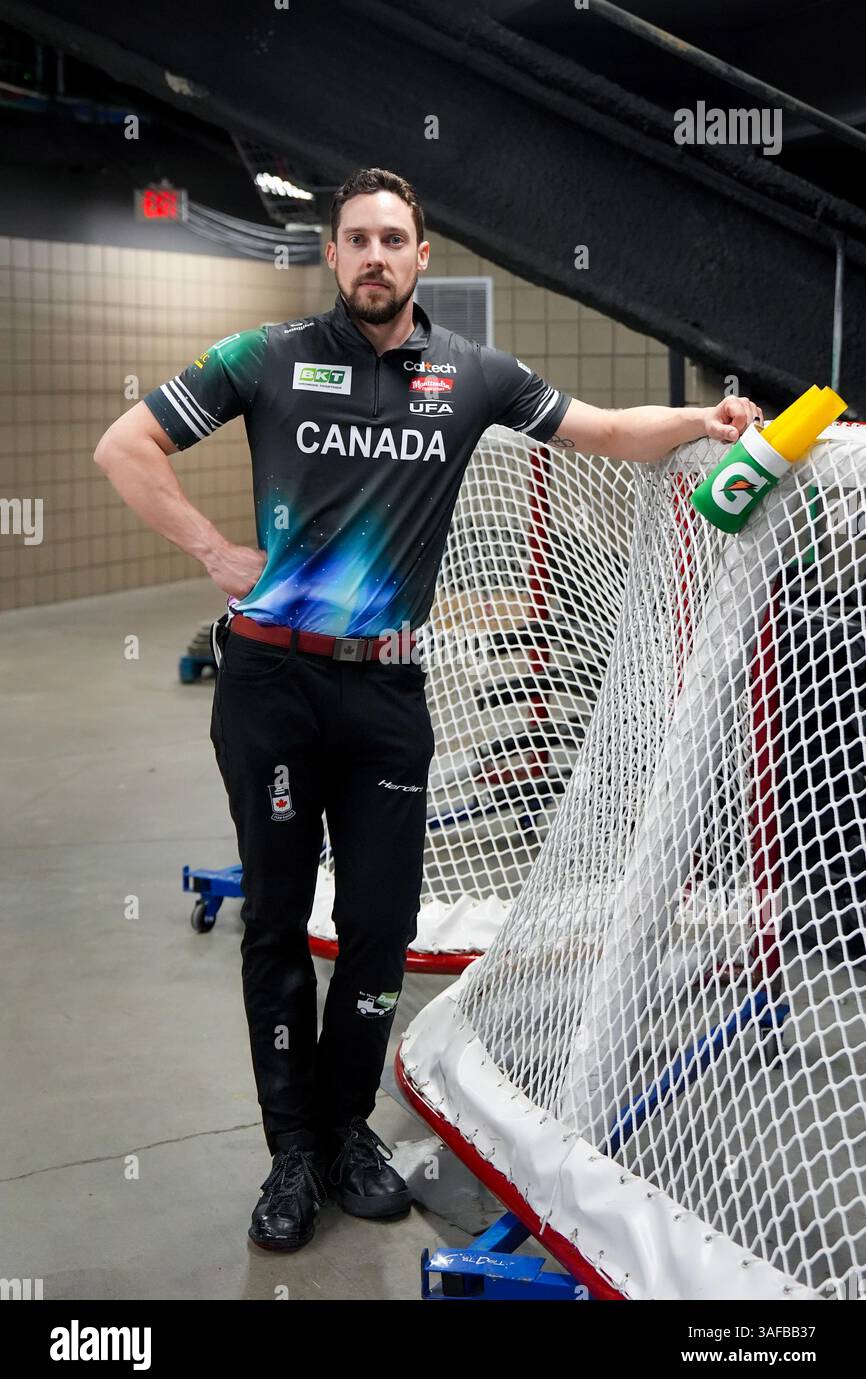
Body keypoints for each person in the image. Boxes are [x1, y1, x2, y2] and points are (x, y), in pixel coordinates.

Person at [94, 166, 763, 1253]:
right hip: (271, 684)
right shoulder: (265, 359)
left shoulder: (471, 374)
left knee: (377, 927)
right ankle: (290, 1152)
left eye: (391, 238)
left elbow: (596, 432)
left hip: (387, 692)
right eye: (354, 237)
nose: (372, 255)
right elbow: (125, 446)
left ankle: (347, 1126)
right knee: (274, 923)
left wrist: (700, 415)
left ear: (419, 254)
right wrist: (213, 551)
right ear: (332, 254)